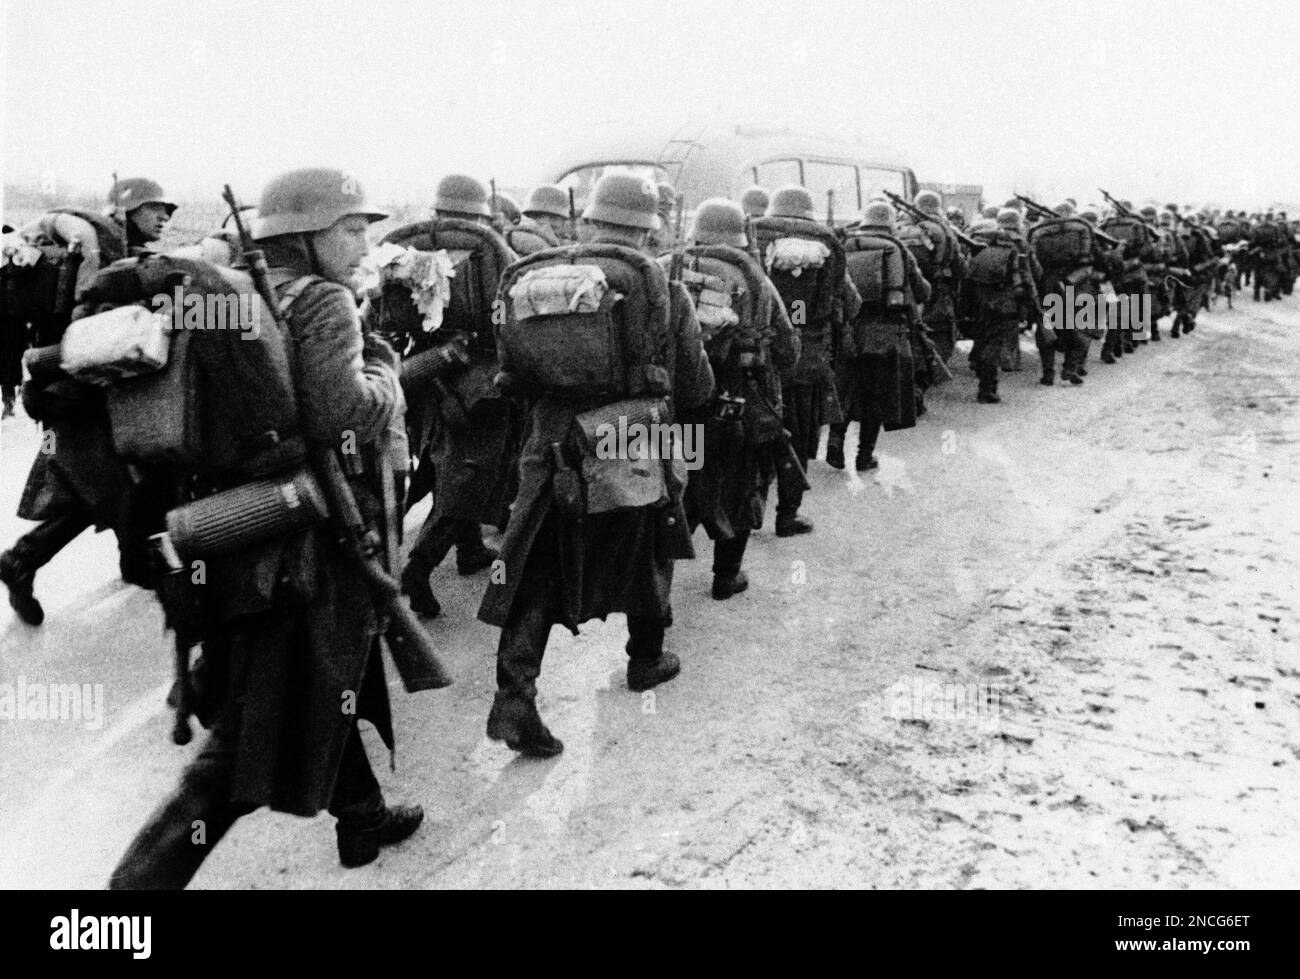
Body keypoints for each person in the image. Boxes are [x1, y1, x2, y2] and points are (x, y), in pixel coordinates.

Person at [108, 167, 423, 888]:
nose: (362, 240)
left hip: (231, 536)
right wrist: (386, 373)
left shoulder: (241, 296)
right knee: (232, 763)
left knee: (328, 668)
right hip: (297, 547)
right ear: (307, 234)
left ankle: (362, 813)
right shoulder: (324, 301)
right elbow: (342, 414)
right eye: (350, 227)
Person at [478, 171, 714, 757]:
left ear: (587, 221)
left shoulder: (529, 276)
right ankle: (645, 659)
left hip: (547, 440)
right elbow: (695, 387)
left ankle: (515, 698)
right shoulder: (660, 285)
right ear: (648, 230)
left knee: (532, 566)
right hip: (630, 440)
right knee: (653, 540)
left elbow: (508, 371)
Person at [0, 178, 178, 624]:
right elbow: (98, 326)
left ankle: (133, 563)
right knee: (111, 486)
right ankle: (25, 559)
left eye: (169, 211)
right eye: (155, 207)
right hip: (76, 392)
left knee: (104, 484)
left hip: (65, 389)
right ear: (128, 208)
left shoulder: (108, 251)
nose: (165, 217)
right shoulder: (106, 250)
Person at [399, 174, 516, 618]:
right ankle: (418, 568)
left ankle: (468, 550)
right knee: (469, 476)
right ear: (482, 214)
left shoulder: (412, 248)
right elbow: (507, 315)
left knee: (441, 466)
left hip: (427, 373)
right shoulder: (490, 249)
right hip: (480, 380)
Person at [672, 198, 798, 597]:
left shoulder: (666, 267)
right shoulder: (755, 278)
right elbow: (787, 350)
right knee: (741, 486)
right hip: (739, 402)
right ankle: (726, 576)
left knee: (679, 484)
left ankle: (662, 590)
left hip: (678, 402)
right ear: (740, 238)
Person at [831, 200, 929, 465]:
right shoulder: (897, 249)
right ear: (890, 221)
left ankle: (835, 442)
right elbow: (921, 291)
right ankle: (864, 455)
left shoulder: (845, 245)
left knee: (847, 388)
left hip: (848, 330)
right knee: (876, 395)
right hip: (885, 332)